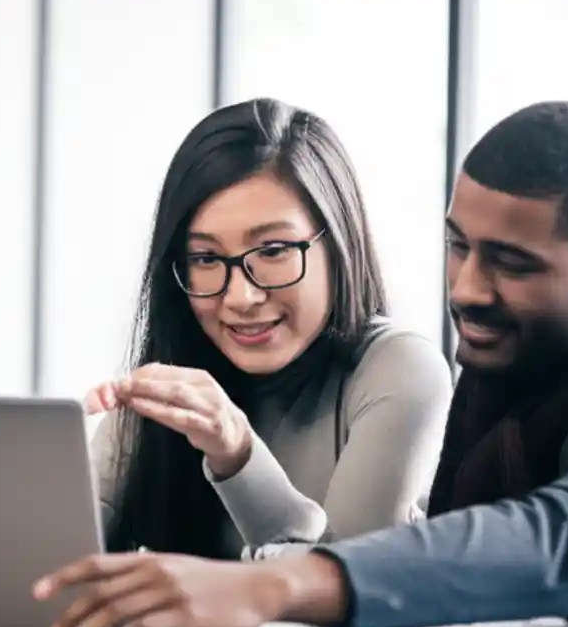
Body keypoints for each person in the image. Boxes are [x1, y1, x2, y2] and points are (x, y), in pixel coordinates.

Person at [34, 102, 568, 627]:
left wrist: (269, 583)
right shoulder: (510, 375)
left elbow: (561, 541)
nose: (467, 289)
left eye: (510, 262)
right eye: (458, 246)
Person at [83, 98, 451, 561]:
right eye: (205, 259)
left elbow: (347, 581)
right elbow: (49, 560)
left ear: (338, 244)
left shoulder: (399, 369)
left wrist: (236, 452)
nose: (240, 297)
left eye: (273, 250)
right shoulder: (175, 386)